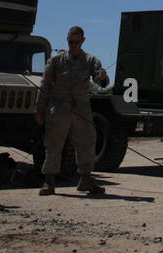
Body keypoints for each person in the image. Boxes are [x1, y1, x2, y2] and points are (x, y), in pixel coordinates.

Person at [36, 26, 109, 195]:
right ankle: (49, 181)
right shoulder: (56, 61)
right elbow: (44, 86)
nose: (73, 45)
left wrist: (102, 77)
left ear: (82, 40)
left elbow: (101, 81)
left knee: (87, 143)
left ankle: (86, 179)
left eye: (76, 42)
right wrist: (39, 109)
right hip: (59, 109)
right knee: (53, 144)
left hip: (82, 110)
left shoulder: (91, 60)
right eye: (70, 42)